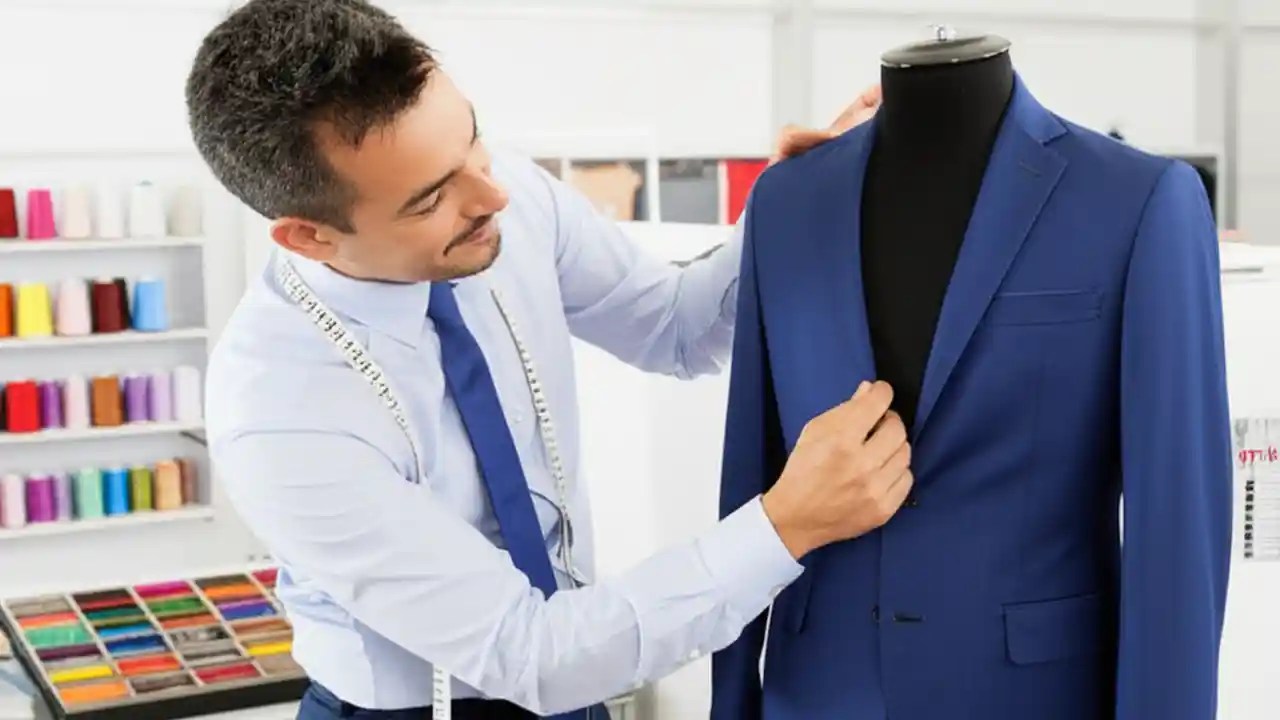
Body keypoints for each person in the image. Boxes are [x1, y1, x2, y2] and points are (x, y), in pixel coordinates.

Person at [187, 1, 904, 718]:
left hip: (577, 677)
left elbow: (678, 328)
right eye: (432, 197)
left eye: (473, 140)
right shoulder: (278, 411)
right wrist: (788, 524)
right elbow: (527, 654)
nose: (492, 193)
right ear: (309, 237)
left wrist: (785, 212)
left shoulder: (511, 202)